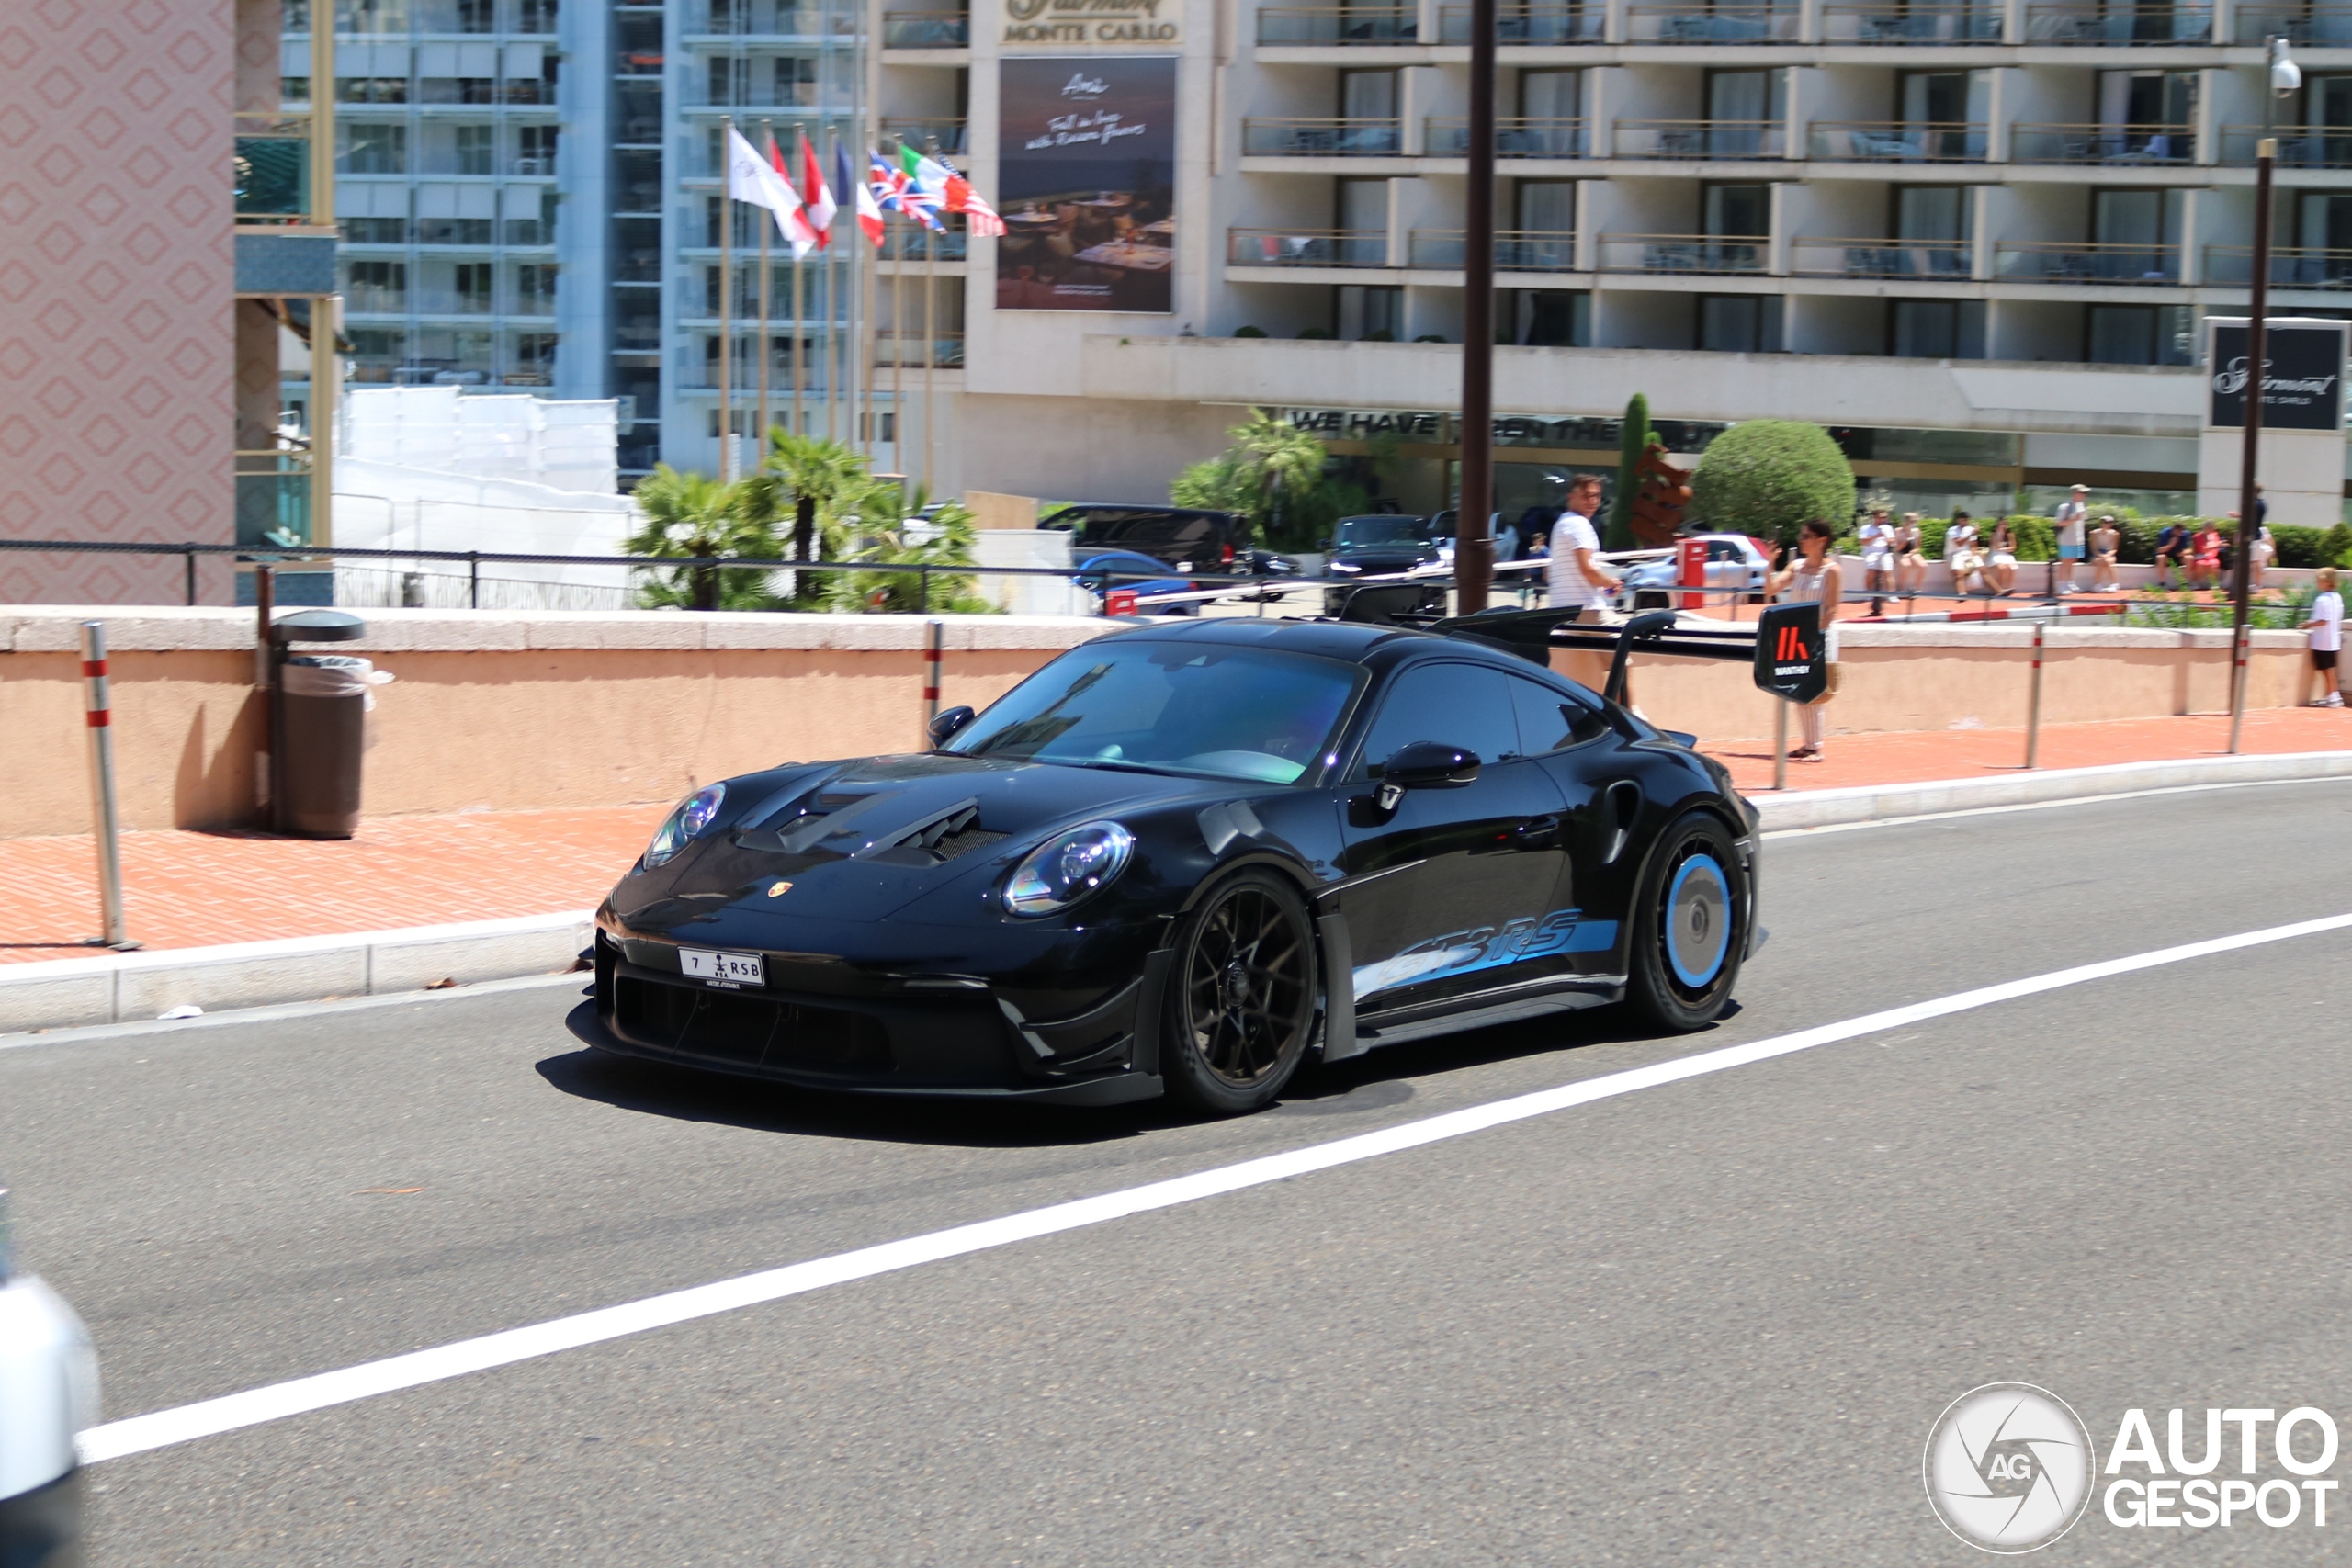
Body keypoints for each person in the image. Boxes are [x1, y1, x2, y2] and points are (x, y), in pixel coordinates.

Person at [1545, 473, 1627, 702]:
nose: (1592, 502)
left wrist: (1602, 585)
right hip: (1587, 611)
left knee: (1598, 671)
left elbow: (1580, 572)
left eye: (1596, 497)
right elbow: (1587, 570)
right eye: (1586, 496)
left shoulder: (1563, 524)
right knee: (1626, 657)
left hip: (1566, 612)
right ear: (1571, 497)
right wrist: (1609, 582)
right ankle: (1631, 715)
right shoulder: (1579, 524)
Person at [1768, 519, 1843, 762]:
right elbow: (1771, 590)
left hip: (1820, 636)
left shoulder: (1832, 571)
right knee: (1799, 690)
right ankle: (1809, 744)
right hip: (1796, 637)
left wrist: (1815, 637)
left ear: (1821, 540)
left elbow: (1831, 609)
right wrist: (1770, 563)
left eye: (1807, 536)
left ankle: (1815, 747)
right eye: (1801, 536)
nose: (1801, 540)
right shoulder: (1797, 567)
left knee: (1815, 692)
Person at [2303, 567, 2345, 706]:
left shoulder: (2322, 599)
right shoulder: (2337, 597)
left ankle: (2333, 696)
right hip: (2333, 639)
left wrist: (2308, 625)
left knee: (2326, 669)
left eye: (2319, 580)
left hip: (2322, 641)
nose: (2317, 583)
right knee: (2330, 668)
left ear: (2326, 582)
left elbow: (2323, 620)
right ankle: (2333, 695)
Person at [2052, 483, 2090, 593]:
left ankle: (2070, 583)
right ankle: (2061, 585)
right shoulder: (2065, 507)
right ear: (2075, 493)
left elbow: (2083, 522)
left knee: (2073, 560)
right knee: (2065, 561)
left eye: (2084, 493)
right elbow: (2059, 523)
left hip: (2078, 538)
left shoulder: (2082, 506)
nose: (2084, 495)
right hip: (2067, 538)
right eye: (2081, 493)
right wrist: (2073, 519)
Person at [1859, 507, 1894, 612]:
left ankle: (1891, 595)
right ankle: (1869, 593)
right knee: (1871, 572)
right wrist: (1876, 536)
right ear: (1874, 518)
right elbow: (1863, 542)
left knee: (1888, 572)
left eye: (1885, 517)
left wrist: (1887, 538)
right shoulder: (1866, 528)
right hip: (1871, 553)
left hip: (1884, 552)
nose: (1883, 519)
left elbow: (1892, 541)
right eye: (1881, 517)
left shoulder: (1888, 528)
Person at [1946, 511, 1984, 595]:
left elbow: (1974, 545)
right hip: (1952, 553)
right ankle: (1962, 593)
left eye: (1967, 520)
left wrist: (1973, 555)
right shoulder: (1952, 530)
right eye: (1963, 520)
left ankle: (1999, 591)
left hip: (1966, 553)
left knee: (1982, 568)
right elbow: (1959, 543)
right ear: (1959, 520)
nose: (1965, 522)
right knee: (1958, 572)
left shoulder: (1970, 529)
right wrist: (1971, 533)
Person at [1894, 512, 1928, 597]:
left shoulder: (1917, 531)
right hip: (1899, 552)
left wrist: (1910, 554)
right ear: (1906, 521)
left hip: (1911, 552)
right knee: (1906, 565)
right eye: (1912, 521)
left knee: (1923, 566)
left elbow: (1917, 547)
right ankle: (1901, 589)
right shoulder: (1898, 531)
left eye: (1915, 521)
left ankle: (1917, 589)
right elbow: (1897, 548)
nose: (1914, 523)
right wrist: (1906, 538)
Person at [1985, 516, 2018, 595]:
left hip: (2006, 554)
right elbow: (1996, 547)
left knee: (2011, 567)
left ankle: (2009, 587)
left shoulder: (2010, 534)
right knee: (2002, 568)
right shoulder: (1994, 534)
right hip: (1995, 554)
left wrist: (2004, 549)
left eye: (2004, 524)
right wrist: (1998, 533)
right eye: (2000, 524)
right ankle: (2000, 589)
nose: (2002, 526)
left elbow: (2013, 547)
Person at [2089, 514, 2121, 592]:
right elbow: (2094, 548)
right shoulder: (2094, 533)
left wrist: (2107, 555)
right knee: (2101, 561)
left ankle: (2114, 584)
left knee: (2108, 561)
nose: (2106, 524)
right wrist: (2100, 555)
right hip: (2097, 553)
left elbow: (2114, 548)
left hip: (2109, 553)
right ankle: (2097, 585)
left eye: (2108, 522)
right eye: (2104, 522)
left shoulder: (2115, 533)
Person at [2189, 522, 2223, 590]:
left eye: (2212, 527)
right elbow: (2203, 550)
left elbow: (2216, 547)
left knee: (2213, 563)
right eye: (2209, 527)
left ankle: (2214, 583)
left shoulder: (2215, 535)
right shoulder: (2197, 536)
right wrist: (2216, 546)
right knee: (2200, 564)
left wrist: (2215, 546)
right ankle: (2194, 582)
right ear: (2204, 528)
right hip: (2200, 556)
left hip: (2211, 556)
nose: (2211, 529)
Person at [2153, 519, 2183, 588]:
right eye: (2179, 531)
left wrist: (2183, 553)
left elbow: (2189, 549)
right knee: (2161, 557)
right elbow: (2159, 550)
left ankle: (2184, 584)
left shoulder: (2184, 534)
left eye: (2181, 531)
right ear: (2174, 529)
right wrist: (2171, 545)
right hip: (2165, 557)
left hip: (2177, 557)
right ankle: (2162, 583)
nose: (2180, 533)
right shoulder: (2164, 534)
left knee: (2189, 558)